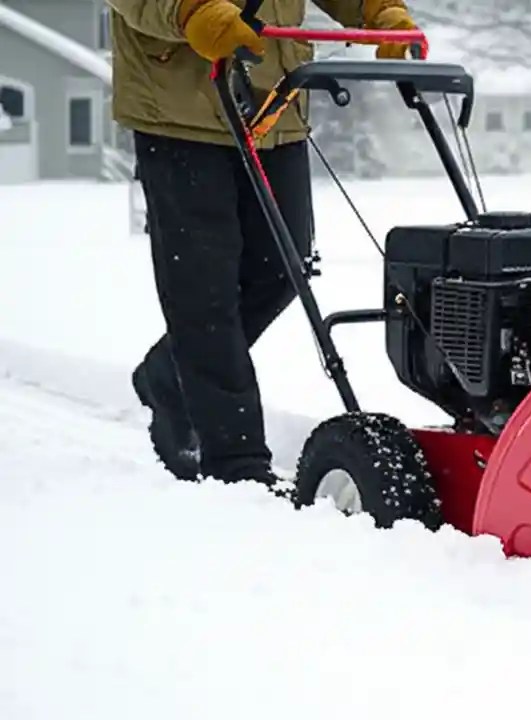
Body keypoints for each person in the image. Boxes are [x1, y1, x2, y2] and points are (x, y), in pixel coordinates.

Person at [106, 0, 419, 487]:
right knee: (203, 290)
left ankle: (169, 375)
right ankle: (235, 462)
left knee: (283, 266)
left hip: (273, 102)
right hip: (179, 101)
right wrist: (189, 11)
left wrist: (377, 10)